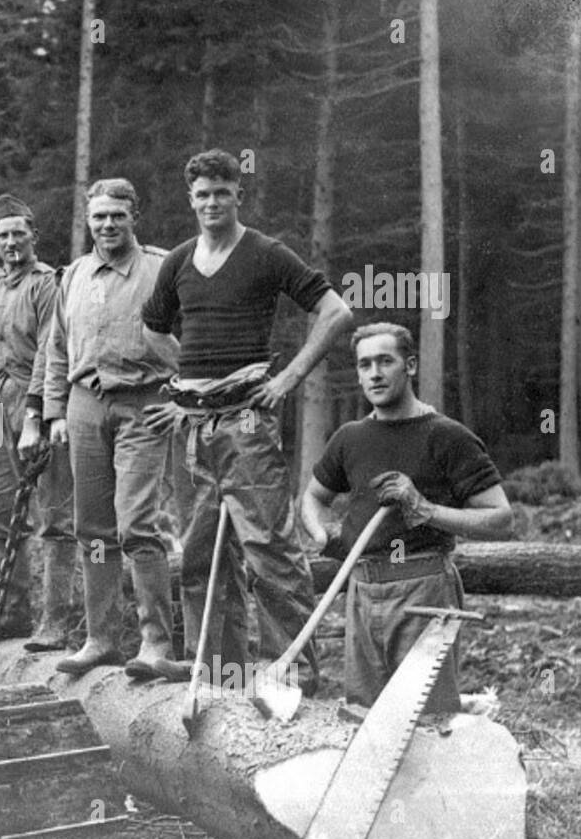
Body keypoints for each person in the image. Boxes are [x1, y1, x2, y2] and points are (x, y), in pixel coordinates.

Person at [142, 148, 353, 687]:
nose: (213, 202)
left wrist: (287, 380)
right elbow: (152, 328)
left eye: (222, 192)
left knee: (270, 550)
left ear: (240, 194)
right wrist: (188, 376)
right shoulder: (180, 260)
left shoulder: (266, 253)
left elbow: (336, 312)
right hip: (193, 429)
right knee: (199, 553)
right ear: (190, 200)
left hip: (248, 426)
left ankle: (294, 671)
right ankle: (221, 673)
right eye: (203, 195)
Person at [302, 323, 511, 712]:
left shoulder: (446, 436)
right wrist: (319, 534)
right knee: (363, 716)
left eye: (386, 361)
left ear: (410, 365)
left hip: (424, 590)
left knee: (426, 717)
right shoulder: (350, 438)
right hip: (362, 591)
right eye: (365, 365)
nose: (375, 374)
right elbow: (313, 497)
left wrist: (423, 508)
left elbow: (501, 518)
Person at [43, 178, 189, 680]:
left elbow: (192, 337)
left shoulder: (162, 267)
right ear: (88, 220)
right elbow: (57, 347)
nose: (107, 225)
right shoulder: (76, 274)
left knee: (137, 525)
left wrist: (184, 399)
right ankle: (100, 638)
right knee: (93, 529)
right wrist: (54, 411)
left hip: (144, 406)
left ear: (135, 217)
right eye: (99, 217)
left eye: (117, 216)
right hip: (85, 406)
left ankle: (156, 645)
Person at [0, 194, 79, 649]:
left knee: (56, 518)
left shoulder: (47, 284)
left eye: (19, 233)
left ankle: (57, 622)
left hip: (45, 406)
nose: (12, 242)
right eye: (3, 235)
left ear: (34, 235)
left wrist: (36, 416)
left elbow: (52, 355)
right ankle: (12, 615)